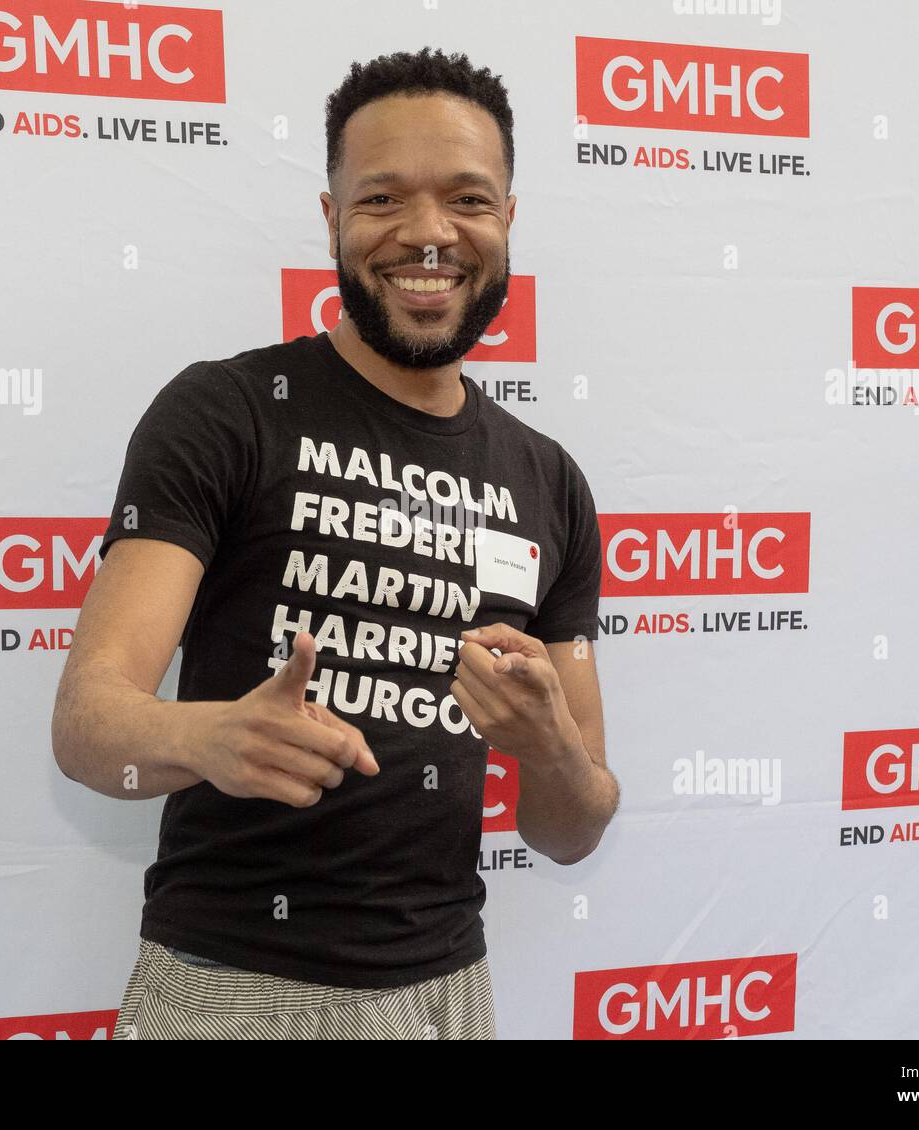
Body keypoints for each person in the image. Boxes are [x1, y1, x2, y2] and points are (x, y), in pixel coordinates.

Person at [51, 46, 619, 1041]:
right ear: (331, 219)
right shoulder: (225, 413)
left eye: (467, 200)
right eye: (383, 199)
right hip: (231, 991)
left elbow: (570, 829)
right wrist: (208, 736)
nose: (428, 234)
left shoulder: (548, 479)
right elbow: (89, 727)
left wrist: (552, 750)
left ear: (508, 220)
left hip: (447, 992)